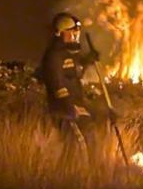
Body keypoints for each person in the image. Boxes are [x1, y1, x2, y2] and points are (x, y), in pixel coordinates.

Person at [38, 12, 108, 144]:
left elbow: (77, 69)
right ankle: (70, 165)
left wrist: (89, 59)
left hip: (76, 104)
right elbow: (56, 84)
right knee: (74, 144)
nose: (75, 36)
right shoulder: (54, 56)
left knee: (90, 138)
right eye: (71, 32)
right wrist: (68, 106)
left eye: (76, 33)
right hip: (63, 109)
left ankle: (88, 164)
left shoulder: (69, 53)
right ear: (60, 33)